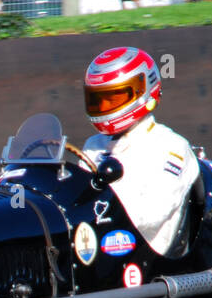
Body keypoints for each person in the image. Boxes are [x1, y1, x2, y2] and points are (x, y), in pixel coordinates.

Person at [76, 47, 200, 260]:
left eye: (114, 98)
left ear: (143, 90)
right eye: (99, 99)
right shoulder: (93, 146)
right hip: (97, 256)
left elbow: (149, 215)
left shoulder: (171, 146)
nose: (105, 106)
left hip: (148, 262)